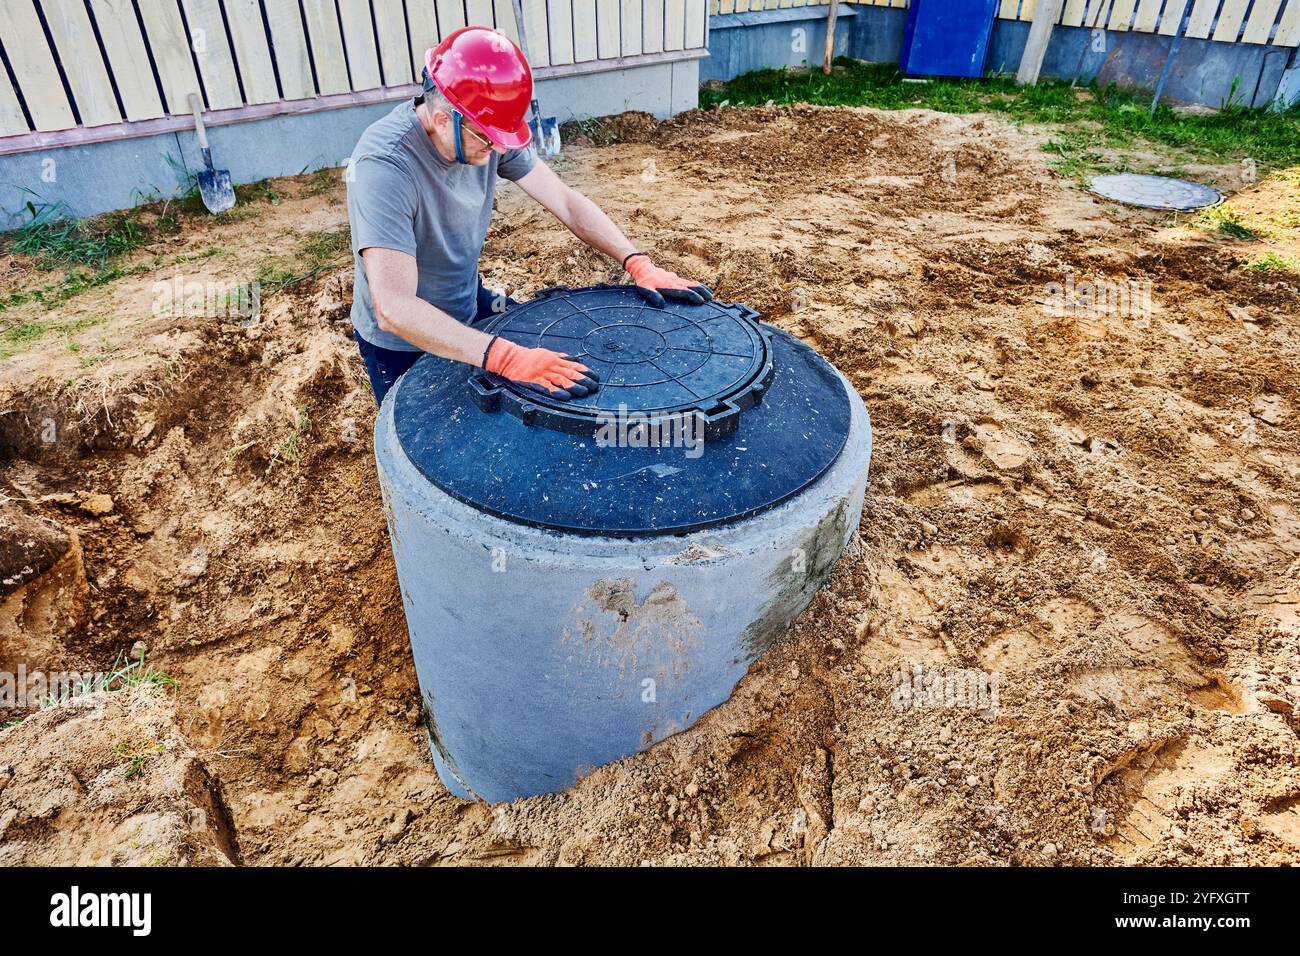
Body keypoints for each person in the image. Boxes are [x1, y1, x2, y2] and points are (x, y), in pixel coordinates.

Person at [346, 24, 714, 405]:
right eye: (488, 139)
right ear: (443, 120)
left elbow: (566, 201)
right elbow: (395, 307)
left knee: (538, 379)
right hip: (401, 342)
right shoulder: (384, 166)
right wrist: (506, 358)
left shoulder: (479, 129)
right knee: (432, 429)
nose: (496, 150)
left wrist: (637, 262)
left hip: (464, 297)